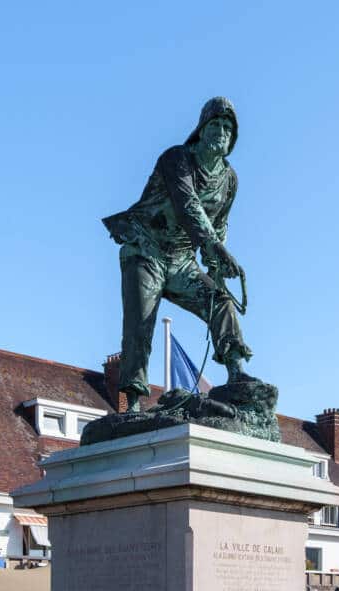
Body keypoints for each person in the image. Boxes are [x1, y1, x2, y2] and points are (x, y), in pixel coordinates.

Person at [102, 97, 253, 411]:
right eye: (215, 125)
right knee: (140, 322)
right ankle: (131, 402)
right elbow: (189, 208)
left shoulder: (229, 181)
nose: (222, 132)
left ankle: (236, 371)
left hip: (182, 261)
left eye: (228, 128)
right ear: (201, 129)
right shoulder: (176, 159)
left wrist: (216, 268)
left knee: (222, 302)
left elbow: (219, 224)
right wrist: (216, 247)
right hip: (146, 248)